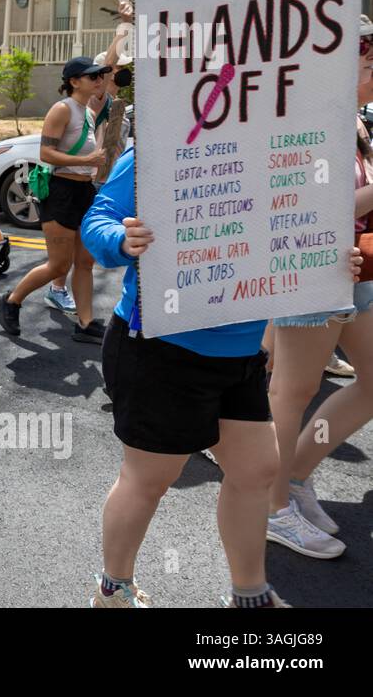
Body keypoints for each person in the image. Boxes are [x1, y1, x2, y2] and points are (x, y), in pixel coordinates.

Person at [82, 146, 364, 607]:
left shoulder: (283, 149)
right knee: (150, 476)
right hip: (159, 346)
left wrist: (329, 267)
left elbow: (290, 234)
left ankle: (250, 594)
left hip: (240, 352)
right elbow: (99, 220)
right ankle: (113, 589)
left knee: (256, 471)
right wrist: (120, 238)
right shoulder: (160, 140)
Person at [264, 19, 373, 559]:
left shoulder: (351, 119)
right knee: (292, 392)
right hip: (311, 268)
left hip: (356, 269)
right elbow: (302, 206)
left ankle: (297, 477)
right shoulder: (307, 118)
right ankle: (272, 507)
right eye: (368, 61)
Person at [0, 57, 110, 343]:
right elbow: (46, 155)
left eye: (100, 76)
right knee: (60, 265)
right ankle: (11, 300)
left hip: (84, 192)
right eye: (92, 75)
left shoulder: (87, 113)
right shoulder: (62, 110)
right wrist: (87, 159)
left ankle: (85, 324)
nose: (99, 79)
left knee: (85, 262)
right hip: (60, 192)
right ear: (74, 81)